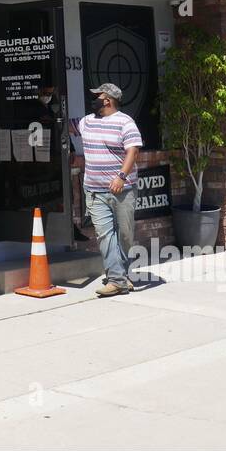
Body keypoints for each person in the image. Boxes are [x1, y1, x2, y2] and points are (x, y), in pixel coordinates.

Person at [79, 82, 142, 297]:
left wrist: (121, 177)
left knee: (125, 235)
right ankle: (116, 280)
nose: (93, 98)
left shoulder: (125, 122)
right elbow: (63, 124)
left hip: (121, 190)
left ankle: (121, 276)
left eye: (97, 95)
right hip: (95, 191)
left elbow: (132, 151)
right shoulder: (86, 122)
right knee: (105, 235)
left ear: (108, 100)